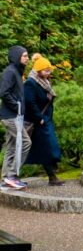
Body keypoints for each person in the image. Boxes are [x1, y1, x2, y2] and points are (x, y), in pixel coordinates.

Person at [24, 54, 62, 186]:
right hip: (38, 121)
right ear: (38, 70)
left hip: (46, 119)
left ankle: (52, 175)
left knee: (49, 146)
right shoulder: (31, 83)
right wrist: (39, 118)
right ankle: (52, 175)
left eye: (49, 70)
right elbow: (30, 102)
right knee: (47, 147)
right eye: (46, 70)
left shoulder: (45, 81)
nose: (48, 73)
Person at [1, 45, 31, 190]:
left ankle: (6, 178)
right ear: (16, 57)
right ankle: (12, 176)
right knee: (26, 143)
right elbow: (3, 93)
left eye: (27, 55)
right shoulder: (10, 72)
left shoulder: (17, 72)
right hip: (11, 116)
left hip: (14, 115)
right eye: (24, 55)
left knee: (12, 146)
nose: (27, 58)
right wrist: (17, 106)